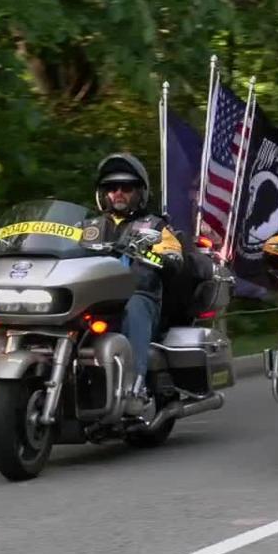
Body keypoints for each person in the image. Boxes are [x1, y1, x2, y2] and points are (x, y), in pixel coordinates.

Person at [91, 152, 184, 408]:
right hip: (93, 299)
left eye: (126, 187)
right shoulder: (88, 226)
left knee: (134, 305)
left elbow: (174, 257)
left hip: (141, 296)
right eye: (111, 187)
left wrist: (161, 257)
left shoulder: (155, 226)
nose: (118, 193)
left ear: (139, 192)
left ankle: (135, 387)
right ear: (103, 193)